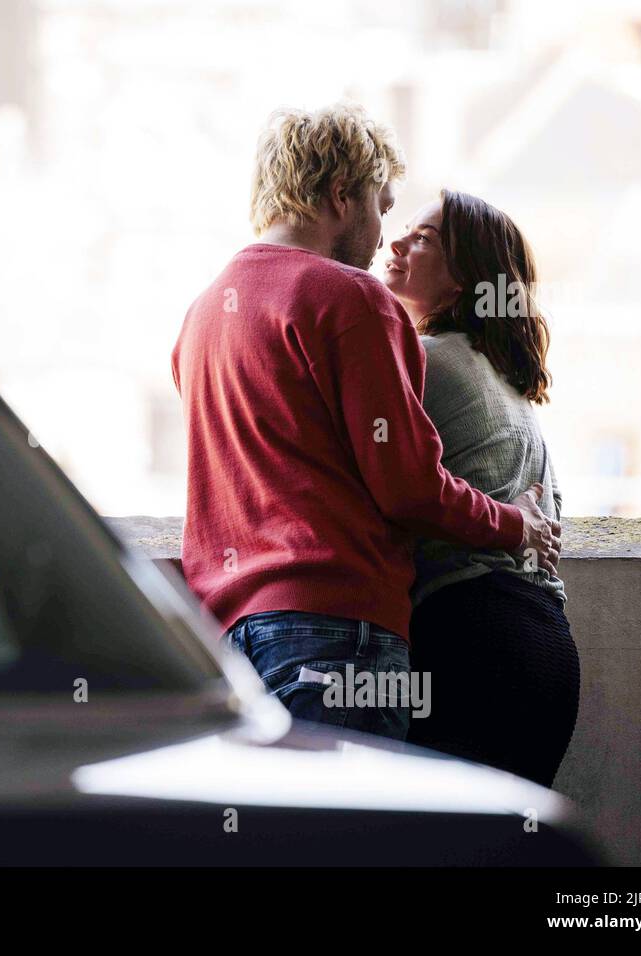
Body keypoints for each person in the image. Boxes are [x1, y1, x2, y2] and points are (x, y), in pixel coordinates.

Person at [171, 104, 560, 741]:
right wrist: (514, 523)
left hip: (228, 642)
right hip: (337, 635)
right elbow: (409, 486)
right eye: (381, 206)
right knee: (359, 841)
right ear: (341, 196)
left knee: (274, 840)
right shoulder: (351, 299)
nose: (383, 238)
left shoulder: (202, 314)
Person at [383, 189, 580, 785]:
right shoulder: (508, 384)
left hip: (473, 638)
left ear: (466, 280)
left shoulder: (424, 360)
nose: (396, 242)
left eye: (424, 239)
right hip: (546, 647)